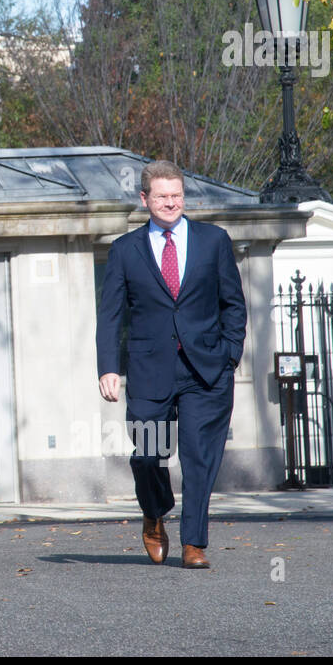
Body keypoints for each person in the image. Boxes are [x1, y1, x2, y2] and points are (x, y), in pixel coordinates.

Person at [96, 160, 246, 569]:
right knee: (147, 454)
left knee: (199, 458)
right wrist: (108, 367)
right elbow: (111, 315)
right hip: (149, 370)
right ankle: (154, 513)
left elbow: (233, 303)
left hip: (207, 371)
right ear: (144, 198)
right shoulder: (125, 250)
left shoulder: (213, 241)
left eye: (176, 195)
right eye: (162, 196)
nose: (170, 203)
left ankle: (194, 542)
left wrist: (231, 353)